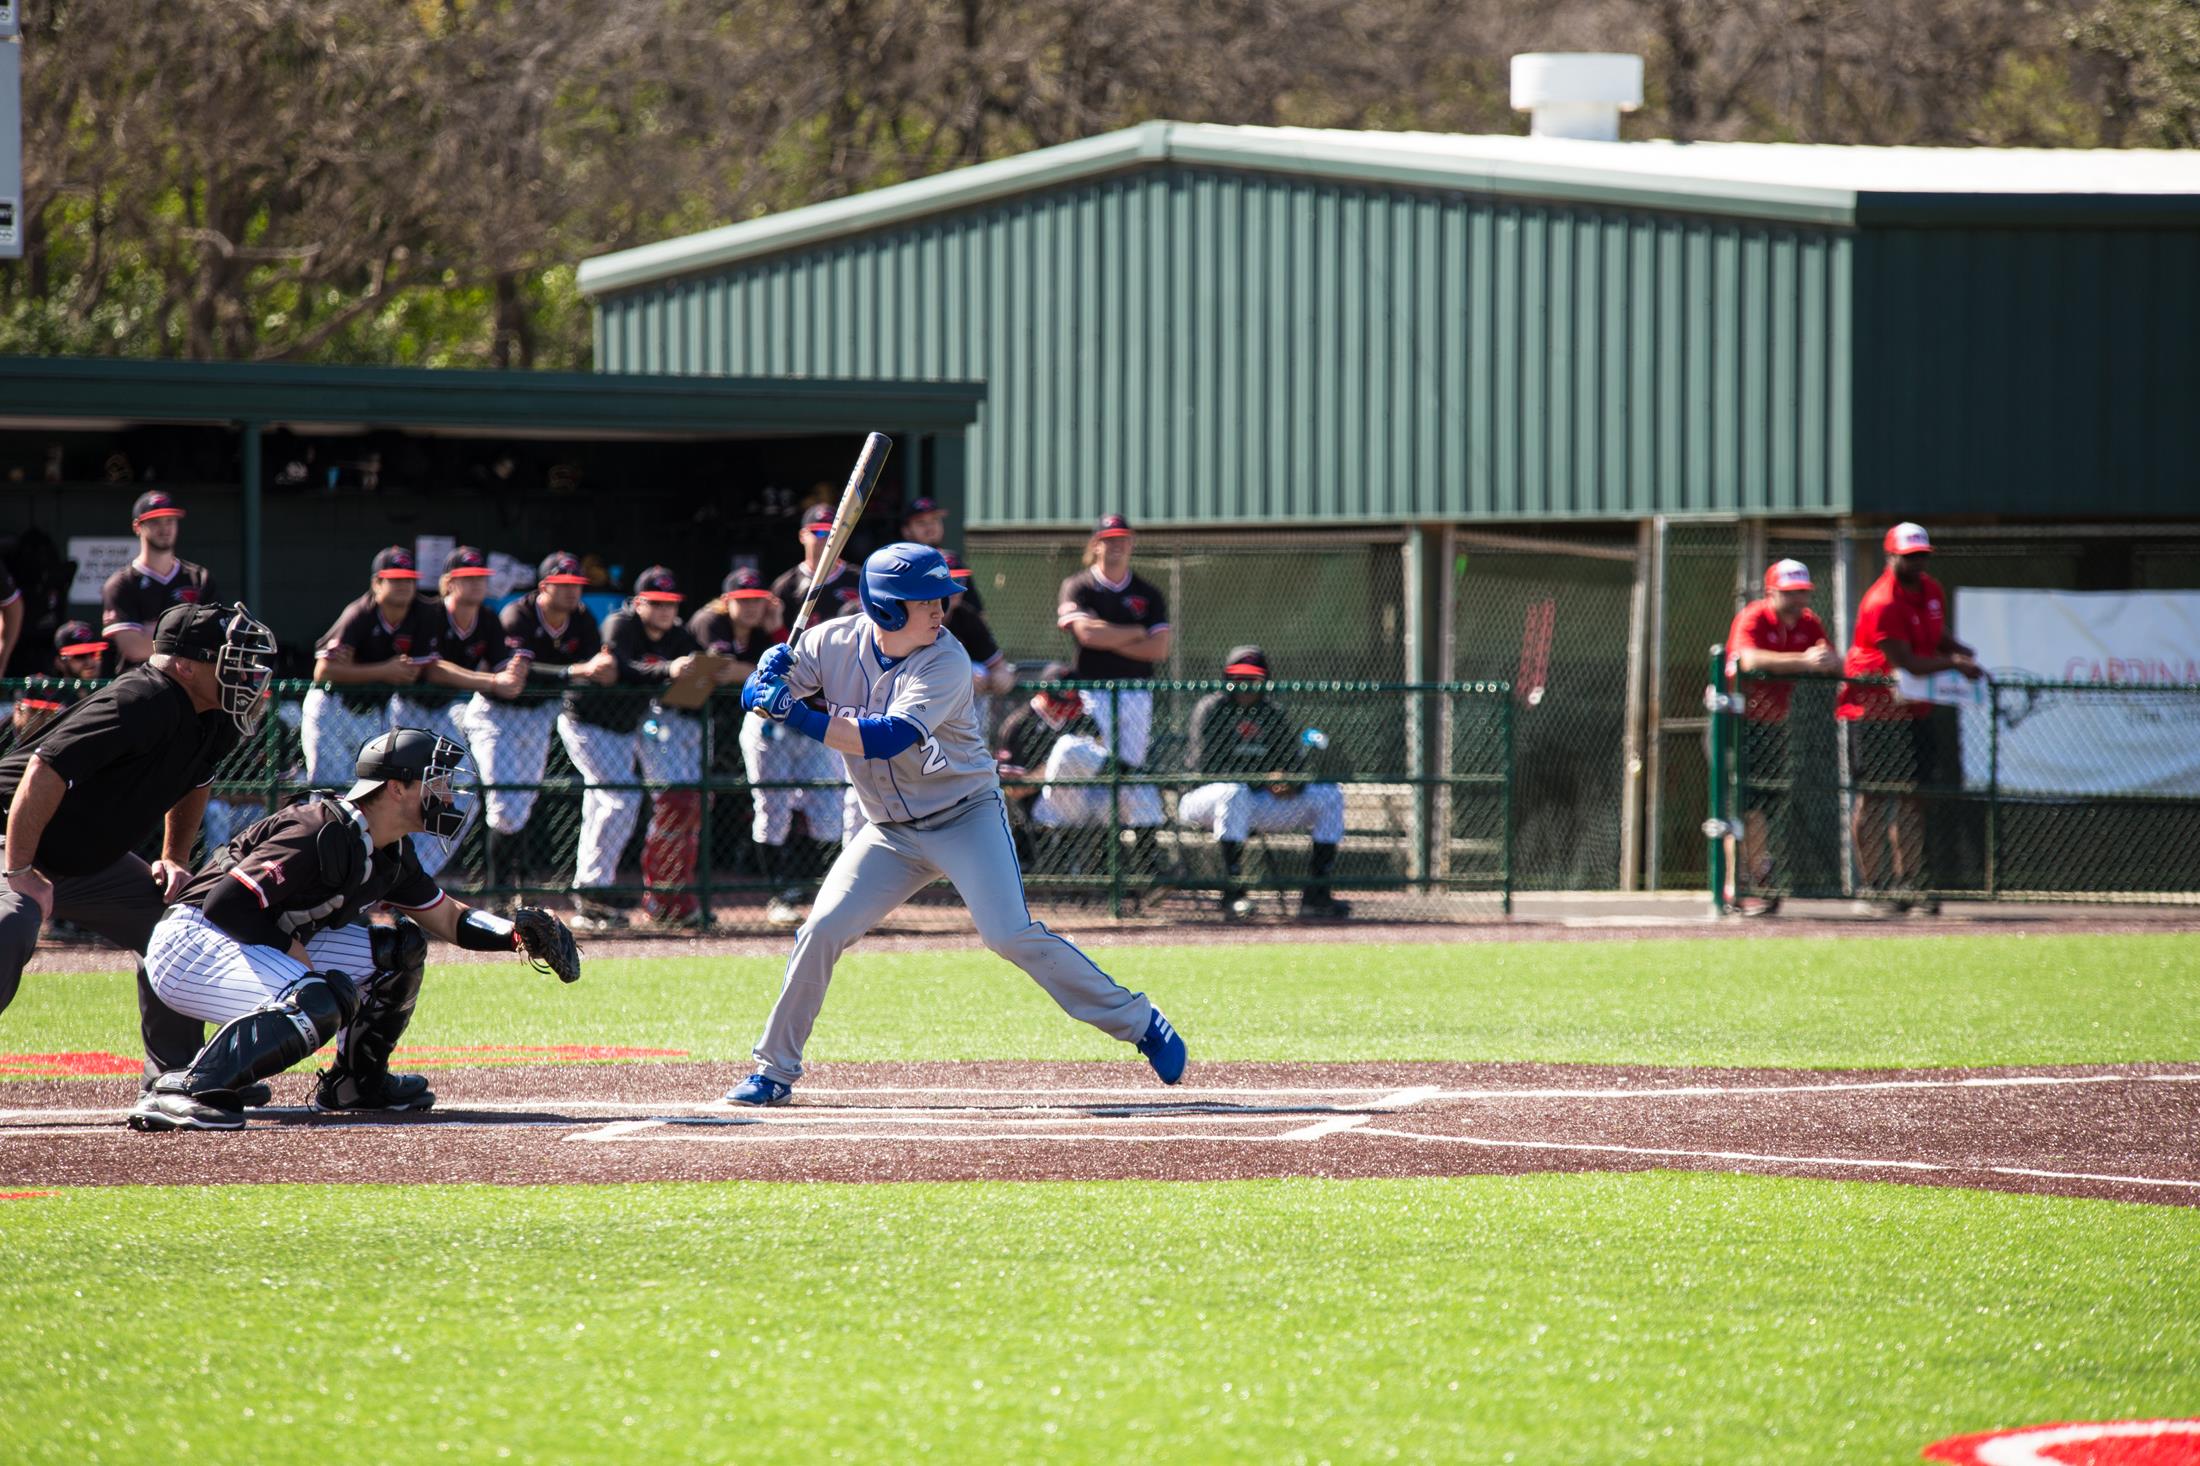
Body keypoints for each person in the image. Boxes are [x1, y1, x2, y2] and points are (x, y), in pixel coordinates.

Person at [721, 543, 1185, 1107]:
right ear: (886, 608)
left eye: (940, 598)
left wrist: (794, 710)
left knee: (1008, 935)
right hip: (889, 831)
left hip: (965, 816)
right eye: (924, 601)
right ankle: (773, 1070)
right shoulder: (828, 643)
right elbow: (759, 699)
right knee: (821, 930)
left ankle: (1139, 1021)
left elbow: (886, 738)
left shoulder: (946, 659)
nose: (940, 609)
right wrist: (764, 683)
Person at [126, 729, 581, 1131]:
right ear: (397, 788)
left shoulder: (389, 849)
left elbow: (448, 918)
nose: (446, 795)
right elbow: (225, 903)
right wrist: (290, 951)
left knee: (398, 952)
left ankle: (356, 1084)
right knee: (319, 999)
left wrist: (516, 935)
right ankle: (186, 1087)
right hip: (192, 943)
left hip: (246, 937)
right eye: (436, 781)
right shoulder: (317, 829)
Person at [0, 602, 277, 1093]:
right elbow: (45, 767)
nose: (245, 674)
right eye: (230, 661)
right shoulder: (142, 698)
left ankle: (177, 1073)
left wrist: (174, 858)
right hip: (11, 837)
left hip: (76, 860)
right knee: (13, 921)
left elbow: (197, 781)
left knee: (175, 927)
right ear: (185, 665)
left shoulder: (215, 714)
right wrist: (20, 870)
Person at [1836, 523, 1982, 913]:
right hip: (1876, 711)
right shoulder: (1881, 601)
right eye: (1909, 556)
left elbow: (1934, 633)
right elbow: (1907, 662)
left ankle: (1909, 882)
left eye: (1921, 556)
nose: (1917, 563)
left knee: (1913, 798)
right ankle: (1873, 888)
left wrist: (1961, 649)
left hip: (1915, 709)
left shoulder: (1930, 589)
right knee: (1873, 796)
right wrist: (1955, 663)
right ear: (1891, 557)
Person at [562, 567, 715, 930]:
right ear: (639, 602)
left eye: (670, 604)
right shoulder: (621, 623)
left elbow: (698, 673)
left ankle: (593, 892)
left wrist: (697, 671)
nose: (664, 611)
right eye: (656, 603)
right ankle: (593, 890)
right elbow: (621, 668)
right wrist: (669, 670)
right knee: (621, 798)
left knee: (609, 802)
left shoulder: (677, 634)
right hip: (587, 721)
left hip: (628, 726)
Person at [747, 508, 860, 925]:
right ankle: (779, 893)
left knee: (828, 806)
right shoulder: (785, 585)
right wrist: (776, 631)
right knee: (772, 805)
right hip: (780, 710)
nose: (825, 538)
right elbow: (769, 656)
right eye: (817, 531)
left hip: (828, 713)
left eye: (832, 530)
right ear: (803, 536)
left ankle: (819, 894)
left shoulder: (858, 581)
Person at [1180, 646, 1351, 920]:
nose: (1245, 686)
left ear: (1265, 680)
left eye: (1253, 679)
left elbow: (1293, 765)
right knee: (1233, 792)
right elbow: (1207, 768)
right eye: (1239, 678)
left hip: (1257, 801)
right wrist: (1263, 780)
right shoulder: (1211, 709)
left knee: (1330, 795)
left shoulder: (1272, 713)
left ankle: (1318, 894)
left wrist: (1290, 783)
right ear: (1227, 678)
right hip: (1204, 800)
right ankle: (1233, 894)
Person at [469, 551, 616, 849]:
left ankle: (518, 875)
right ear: (544, 586)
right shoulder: (518, 614)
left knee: (523, 801)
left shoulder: (582, 617)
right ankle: (498, 878)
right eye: (563, 584)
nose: (572, 591)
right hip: (497, 714)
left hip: (538, 714)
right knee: (503, 802)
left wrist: (603, 667)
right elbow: (521, 672)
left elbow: (592, 663)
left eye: (576, 584)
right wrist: (573, 671)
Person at [1722, 559, 1838, 917]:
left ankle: (1756, 878)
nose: (1798, 600)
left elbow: (1835, 661)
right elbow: (1748, 660)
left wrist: (1826, 660)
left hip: (1772, 725)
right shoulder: (1753, 617)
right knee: (1740, 805)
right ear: (1771, 592)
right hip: (1734, 723)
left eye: (1802, 592)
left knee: (1762, 808)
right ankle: (1734, 885)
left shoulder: (1809, 622)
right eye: (1789, 593)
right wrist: (1804, 661)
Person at [300, 547, 440, 785]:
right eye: (395, 580)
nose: (404, 586)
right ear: (377, 583)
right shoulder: (360, 613)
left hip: (374, 711)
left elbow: (416, 670)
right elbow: (323, 672)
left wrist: (384, 670)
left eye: (409, 579)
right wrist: (384, 670)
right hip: (333, 706)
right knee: (330, 788)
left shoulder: (421, 613)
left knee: (371, 787)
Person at [404, 545, 528, 756]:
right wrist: (493, 681)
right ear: (449, 582)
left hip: (450, 707)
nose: (477, 583)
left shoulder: (488, 618)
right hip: (411, 707)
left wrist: (515, 672)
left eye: (480, 577)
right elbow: (433, 670)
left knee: (460, 771)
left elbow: (501, 665)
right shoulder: (430, 613)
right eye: (468, 578)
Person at [99, 490, 215, 668]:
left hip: (187, 682)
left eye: (170, 521)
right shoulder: (121, 584)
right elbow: (135, 648)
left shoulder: (199, 579)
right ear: (137, 527)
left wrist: (152, 631)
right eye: (155, 521)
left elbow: (213, 639)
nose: (165, 528)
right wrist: (189, 636)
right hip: (139, 681)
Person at [10, 621, 109, 740]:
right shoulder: (46, 692)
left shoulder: (109, 691)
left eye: (94, 653)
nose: (89, 662)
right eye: (79, 656)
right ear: (59, 662)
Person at [901, 496, 982, 612]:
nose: (930, 527)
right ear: (906, 530)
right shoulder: (899, 564)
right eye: (921, 522)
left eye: (934, 520)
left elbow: (977, 611)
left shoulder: (952, 560)